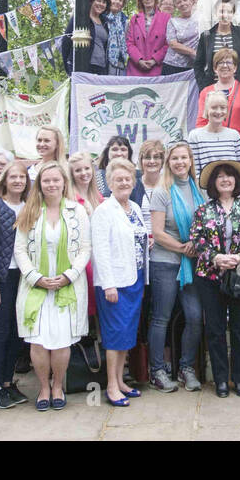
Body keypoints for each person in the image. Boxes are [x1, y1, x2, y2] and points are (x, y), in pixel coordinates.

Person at [14, 160, 90, 411]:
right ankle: (43, 388)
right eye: (46, 180)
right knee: (38, 340)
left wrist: (69, 275)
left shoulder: (76, 211)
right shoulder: (30, 211)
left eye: (56, 180)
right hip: (37, 286)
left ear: (63, 182)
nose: (51, 184)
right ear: (39, 184)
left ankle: (57, 386)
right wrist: (35, 277)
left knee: (61, 339)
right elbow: (20, 250)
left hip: (66, 285)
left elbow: (85, 248)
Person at [189, 158, 240, 397]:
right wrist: (216, 257)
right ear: (213, 182)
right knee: (215, 329)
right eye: (219, 176)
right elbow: (197, 239)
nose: (225, 179)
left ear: (236, 181)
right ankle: (221, 380)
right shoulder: (203, 210)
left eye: (229, 175)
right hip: (210, 276)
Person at [145, 142, 207, 393]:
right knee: (161, 317)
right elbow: (158, 233)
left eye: (184, 158)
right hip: (165, 262)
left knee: (194, 317)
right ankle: (158, 370)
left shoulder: (199, 190)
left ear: (191, 161)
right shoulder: (162, 191)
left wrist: (195, 247)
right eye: (175, 159)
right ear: (168, 163)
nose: (180, 162)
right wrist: (183, 248)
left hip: (191, 264)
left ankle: (185, 367)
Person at [90, 159, 148, 406]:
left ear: (133, 182)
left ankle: (121, 381)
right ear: (110, 183)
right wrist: (108, 285)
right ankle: (112, 386)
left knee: (127, 334)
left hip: (134, 279)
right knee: (115, 336)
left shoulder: (133, 206)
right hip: (114, 284)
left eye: (127, 179)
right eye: (118, 179)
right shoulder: (104, 210)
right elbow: (100, 250)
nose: (124, 183)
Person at [0, 159, 32, 409]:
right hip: (3, 278)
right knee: (1, 332)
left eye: (22, 177)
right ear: (4, 181)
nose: (18, 181)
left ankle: (10, 382)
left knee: (18, 333)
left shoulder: (31, 207)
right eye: (13, 177)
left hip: (26, 277)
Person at [195, 49, 240, 163]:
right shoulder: (205, 92)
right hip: (213, 146)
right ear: (215, 68)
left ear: (235, 68)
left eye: (229, 62)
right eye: (220, 63)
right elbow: (201, 122)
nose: (225, 66)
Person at [194, 0, 240, 89]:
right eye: (222, 11)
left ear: (233, 14)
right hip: (213, 88)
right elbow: (198, 65)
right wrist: (203, 86)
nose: (225, 15)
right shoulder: (206, 36)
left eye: (229, 12)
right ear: (216, 13)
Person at [188, 92, 240, 187]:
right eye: (214, 107)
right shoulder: (195, 136)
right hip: (207, 196)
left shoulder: (234, 135)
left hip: (233, 194)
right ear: (207, 110)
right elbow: (195, 171)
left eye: (223, 107)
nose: (219, 111)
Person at [61, 0, 111, 75]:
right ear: (91, 1)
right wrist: (68, 66)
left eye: (104, 2)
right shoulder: (79, 18)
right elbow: (65, 42)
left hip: (101, 68)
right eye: (98, 1)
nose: (101, 4)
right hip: (84, 66)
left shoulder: (106, 23)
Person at [126, 0, 170, 76]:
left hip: (157, 68)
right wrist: (139, 60)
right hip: (136, 68)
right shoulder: (134, 19)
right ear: (140, 0)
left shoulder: (166, 18)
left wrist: (154, 60)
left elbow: (168, 43)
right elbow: (129, 43)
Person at [162, 0, 200, 76]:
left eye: (185, 0)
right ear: (176, 6)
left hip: (192, 67)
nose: (182, 3)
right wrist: (193, 52)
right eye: (179, 2)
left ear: (191, 1)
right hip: (172, 65)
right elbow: (173, 44)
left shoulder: (200, 19)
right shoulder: (173, 21)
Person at [131, 139, 166, 211]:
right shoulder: (133, 187)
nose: (152, 161)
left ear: (162, 160)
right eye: (147, 157)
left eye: (156, 157)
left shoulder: (169, 185)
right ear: (141, 161)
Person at [103, 0, 130, 75]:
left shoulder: (125, 22)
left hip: (121, 63)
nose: (117, 2)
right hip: (104, 62)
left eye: (120, 0)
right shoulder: (101, 18)